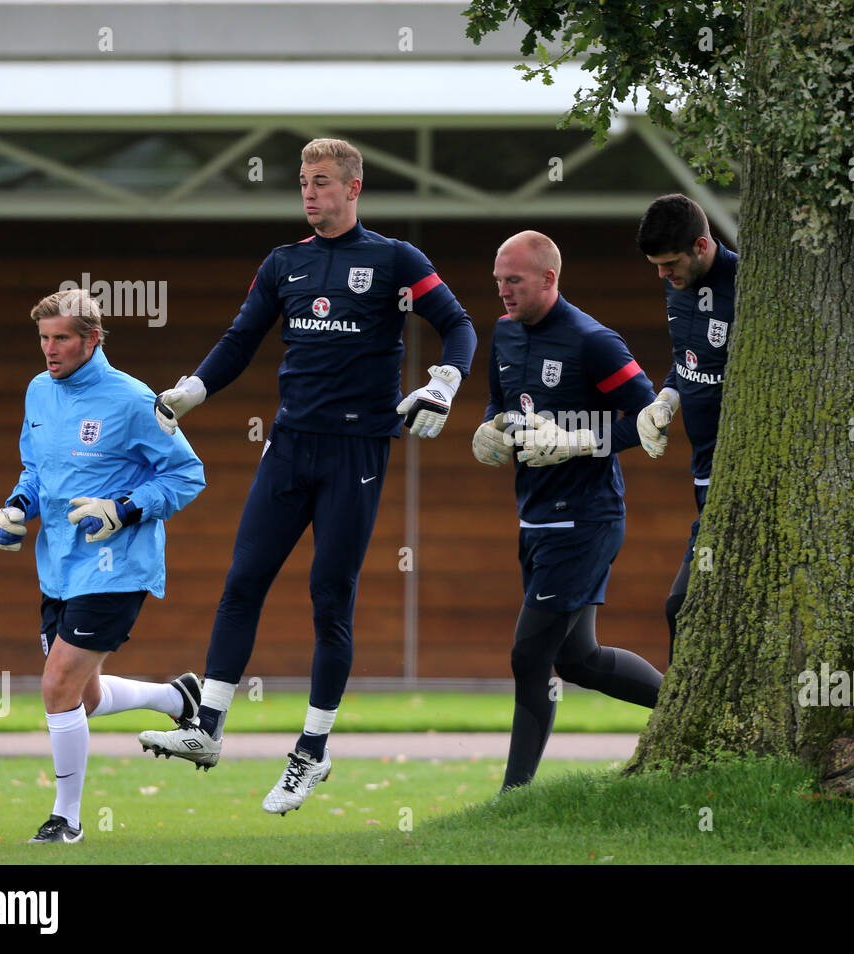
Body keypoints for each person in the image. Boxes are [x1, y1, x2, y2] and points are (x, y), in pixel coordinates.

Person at [139, 137, 477, 815]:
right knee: (242, 581)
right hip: (289, 446)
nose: (310, 192)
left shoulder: (394, 259)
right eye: (303, 182)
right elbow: (240, 342)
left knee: (330, 597)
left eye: (322, 182)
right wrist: (192, 390)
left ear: (354, 188)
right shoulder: (283, 264)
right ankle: (206, 728)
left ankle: (312, 753)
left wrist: (445, 381)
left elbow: (459, 325)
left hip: (357, 452)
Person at [0, 288, 206, 844]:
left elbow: (187, 476)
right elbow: (36, 470)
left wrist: (125, 508)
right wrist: (17, 507)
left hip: (116, 567)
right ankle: (175, 698)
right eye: (43, 338)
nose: (49, 349)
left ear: (92, 338)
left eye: (61, 337)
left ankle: (67, 818)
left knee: (58, 685)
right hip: (58, 567)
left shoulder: (134, 400)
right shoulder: (38, 393)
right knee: (80, 697)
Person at [473, 230, 662, 792]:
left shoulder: (592, 341)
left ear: (549, 279)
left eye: (514, 281)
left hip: (586, 519)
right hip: (534, 519)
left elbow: (649, 419)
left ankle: (513, 795)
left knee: (528, 656)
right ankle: (689, 709)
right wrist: (490, 429)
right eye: (498, 281)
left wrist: (580, 440)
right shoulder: (504, 335)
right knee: (578, 661)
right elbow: (500, 405)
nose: (503, 291)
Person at [634, 195, 737, 665]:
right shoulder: (676, 285)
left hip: (738, 479)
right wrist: (667, 398)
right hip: (702, 474)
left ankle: (678, 718)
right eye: (656, 266)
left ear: (701, 245)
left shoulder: (747, 285)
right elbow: (689, 362)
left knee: (685, 605)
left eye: (670, 263)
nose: (662, 275)